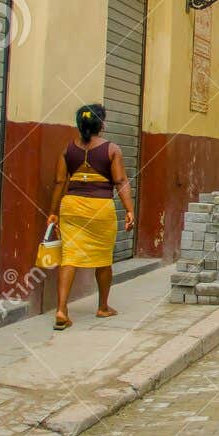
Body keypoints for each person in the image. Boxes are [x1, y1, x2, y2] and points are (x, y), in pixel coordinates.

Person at [47, 103, 135, 330]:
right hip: (100, 208)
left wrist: (53, 212)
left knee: (69, 257)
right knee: (104, 259)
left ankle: (61, 309)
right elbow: (120, 181)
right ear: (101, 125)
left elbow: (59, 181)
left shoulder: (67, 149)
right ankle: (103, 307)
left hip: (71, 207)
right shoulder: (112, 149)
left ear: (80, 124)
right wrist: (129, 210)